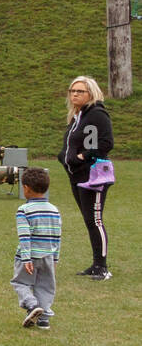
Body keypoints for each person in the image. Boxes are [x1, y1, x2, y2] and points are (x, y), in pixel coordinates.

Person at [58, 75, 114, 280]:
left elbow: (106, 143)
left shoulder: (97, 114)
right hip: (77, 176)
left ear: (90, 93)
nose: (74, 94)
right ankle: (96, 264)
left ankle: (102, 267)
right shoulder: (78, 116)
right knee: (89, 220)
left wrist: (82, 157)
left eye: (79, 91)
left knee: (95, 220)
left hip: (93, 176)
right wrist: (63, 157)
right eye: (72, 91)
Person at [11, 167, 60, 330]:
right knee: (45, 286)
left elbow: (25, 236)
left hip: (29, 256)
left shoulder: (23, 210)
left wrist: (26, 258)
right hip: (48, 256)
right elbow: (57, 236)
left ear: (26, 188)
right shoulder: (54, 210)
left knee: (20, 283)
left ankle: (32, 305)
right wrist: (55, 258)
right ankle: (44, 319)